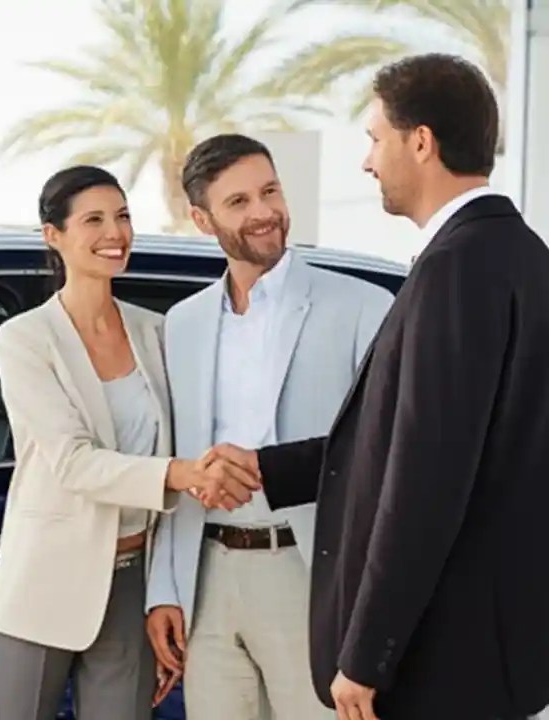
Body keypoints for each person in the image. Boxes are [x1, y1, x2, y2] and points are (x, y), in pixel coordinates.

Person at [202, 53, 549, 720]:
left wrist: (366, 657)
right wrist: (270, 468)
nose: (366, 161)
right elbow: (399, 440)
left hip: (444, 656)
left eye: (374, 138)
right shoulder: (519, 255)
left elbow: (427, 478)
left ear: (421, 142)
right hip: (491, 649)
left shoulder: (458, 270)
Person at [0, 165, 259, 720]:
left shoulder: (156, 331)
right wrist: (179, 474)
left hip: (133, 583)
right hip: (45, 583)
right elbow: (73, 462)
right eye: (94, 220)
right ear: (53, 236)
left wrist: (167, 591)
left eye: (123, 216)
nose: (116, 233)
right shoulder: (24, 340)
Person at [144, 133, 392, 720]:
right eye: (238, 202)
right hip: (208, 577)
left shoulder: (363, 307)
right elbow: (172, 458)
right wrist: (164, 589)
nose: (262, 213)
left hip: (310, 574)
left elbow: (385, 454)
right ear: (202, 220)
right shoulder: (183, 323)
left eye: (270, 191)